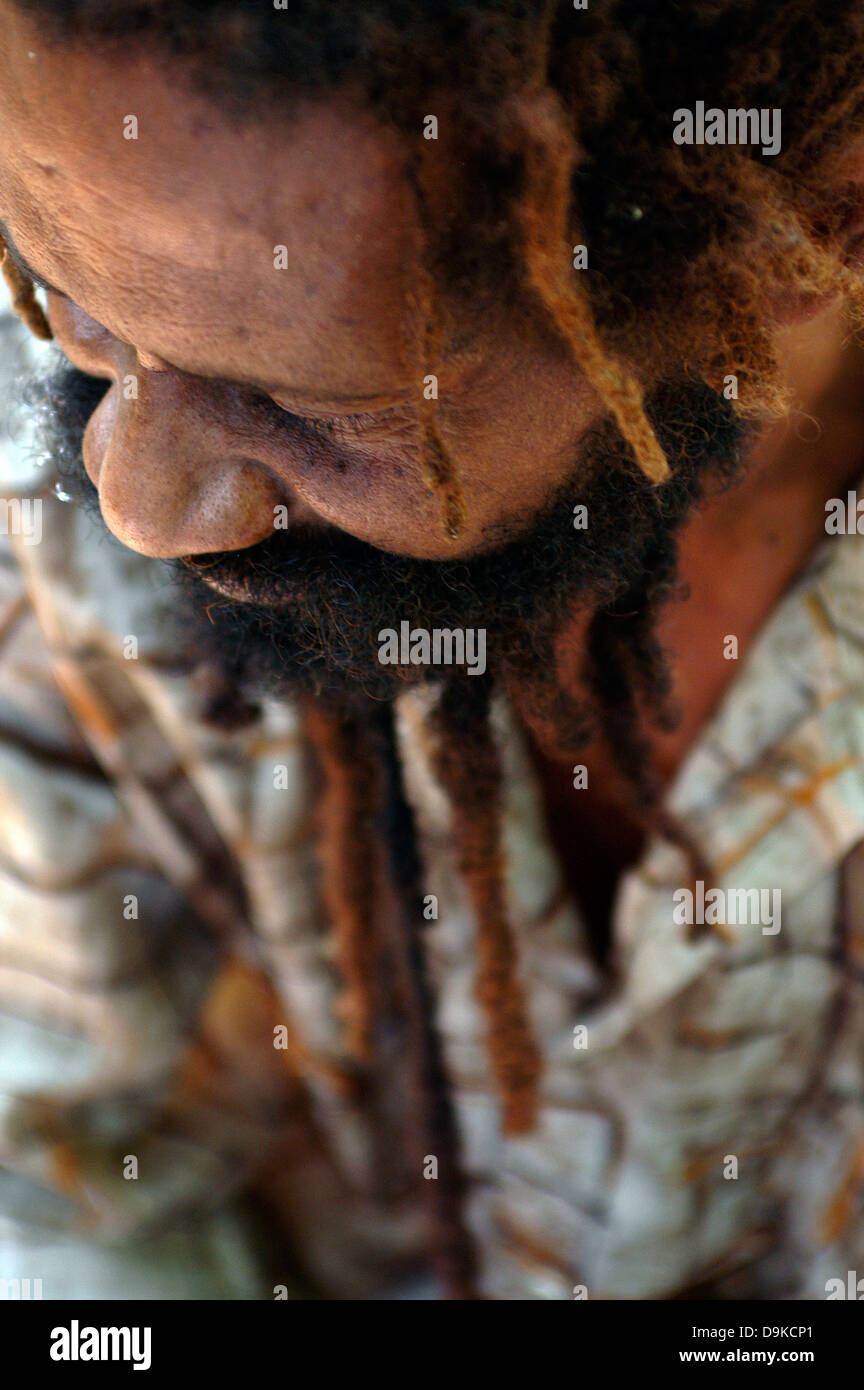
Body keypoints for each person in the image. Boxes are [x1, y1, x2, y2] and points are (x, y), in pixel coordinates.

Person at [0, 0, 863, 1300]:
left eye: (305, 411)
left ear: (811, 227)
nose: (137, 503)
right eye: (71, 311)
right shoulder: (55, 502)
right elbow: (60, 1192)